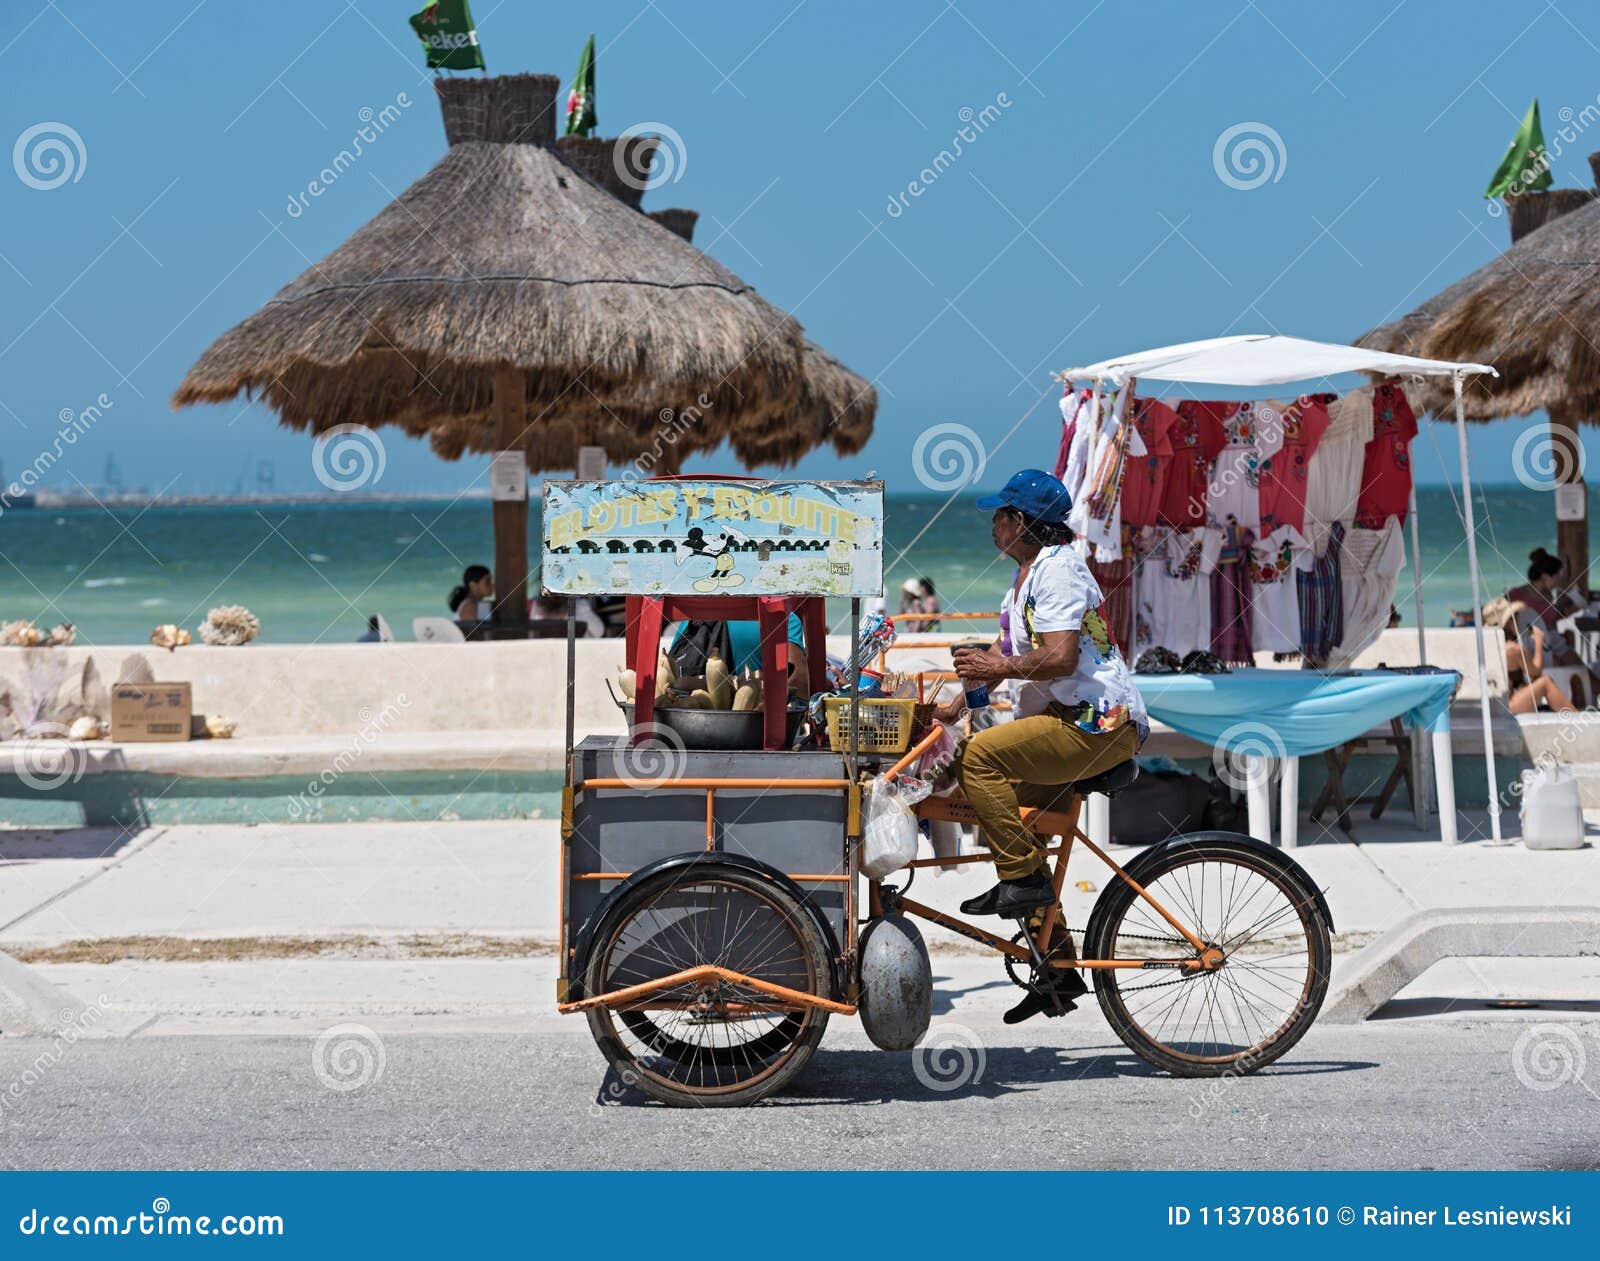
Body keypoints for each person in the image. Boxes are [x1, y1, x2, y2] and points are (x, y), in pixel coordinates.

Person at [939, 468, 1148, 1024]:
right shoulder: (1027, 578)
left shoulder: (1059, 574)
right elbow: (1004, 655)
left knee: (981, 759)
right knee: (1018, 821)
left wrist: (997, 666)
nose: (993, 522)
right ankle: (1056, 969)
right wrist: (952, 709)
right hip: (1072, 718)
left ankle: (1021, 881)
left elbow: (1058, 658)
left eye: (1001, 514)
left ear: (1023, 524)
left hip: (1096, 723)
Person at [1500, 602, 1578, 714]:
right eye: (1516, 617)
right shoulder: (1513, 649)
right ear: (1509, 624)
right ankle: (1574, 718)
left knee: (1542, 682)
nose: (1520, 621)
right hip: (1508, 705)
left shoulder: (1499, 645)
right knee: (1545, 682)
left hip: (1500, 702)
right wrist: (1538, 642)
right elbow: (1535, 671)